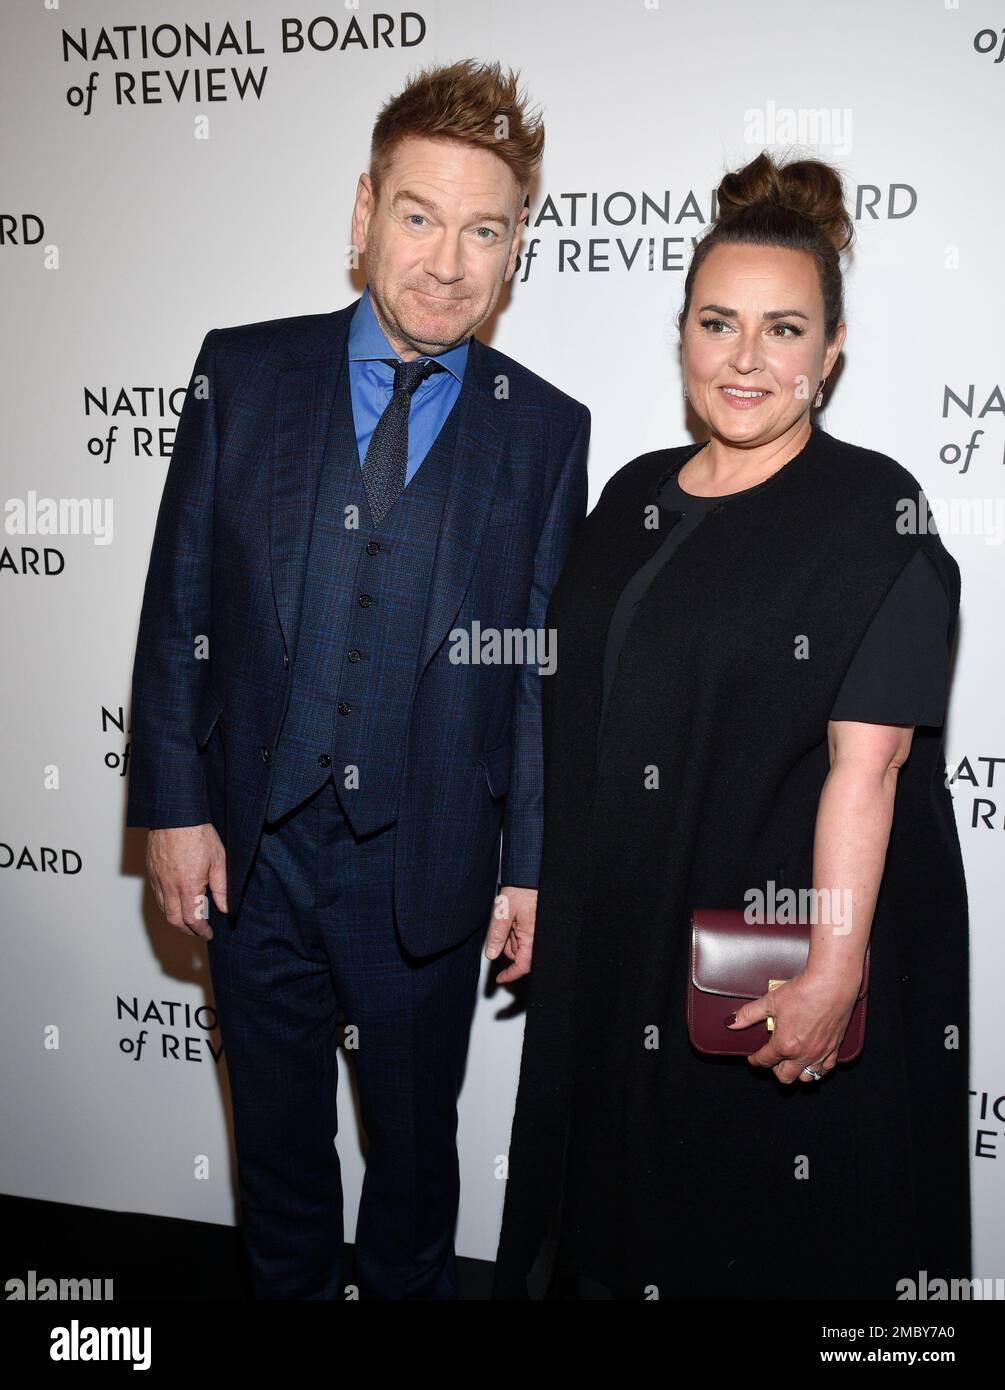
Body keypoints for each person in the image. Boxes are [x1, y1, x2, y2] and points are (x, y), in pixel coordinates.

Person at [125, 59, 590, 1299]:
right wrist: (172, 805)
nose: (446, 261)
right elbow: (178, 606)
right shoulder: (244, 369)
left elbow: (538, 667)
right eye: (419, 216)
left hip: (428, 865)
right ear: (362, 214)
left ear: (515, 250)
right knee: (275, 1159)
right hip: (250, 854)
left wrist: (533, 862)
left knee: (413, 1174)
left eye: (483, 229)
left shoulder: (547, 429)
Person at [492, 151, 971, 1300]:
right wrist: (539, 878)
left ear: (833, 349)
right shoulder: (630, 495)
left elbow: (874, 767)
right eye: (719, 322)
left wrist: (837, 965)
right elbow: (574, 710)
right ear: (683, 333)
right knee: (608, 1214)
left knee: (757, 1232)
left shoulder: (876, 514)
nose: (747, 357)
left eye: (785, 329)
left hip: (759, 959)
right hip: (620, 945)